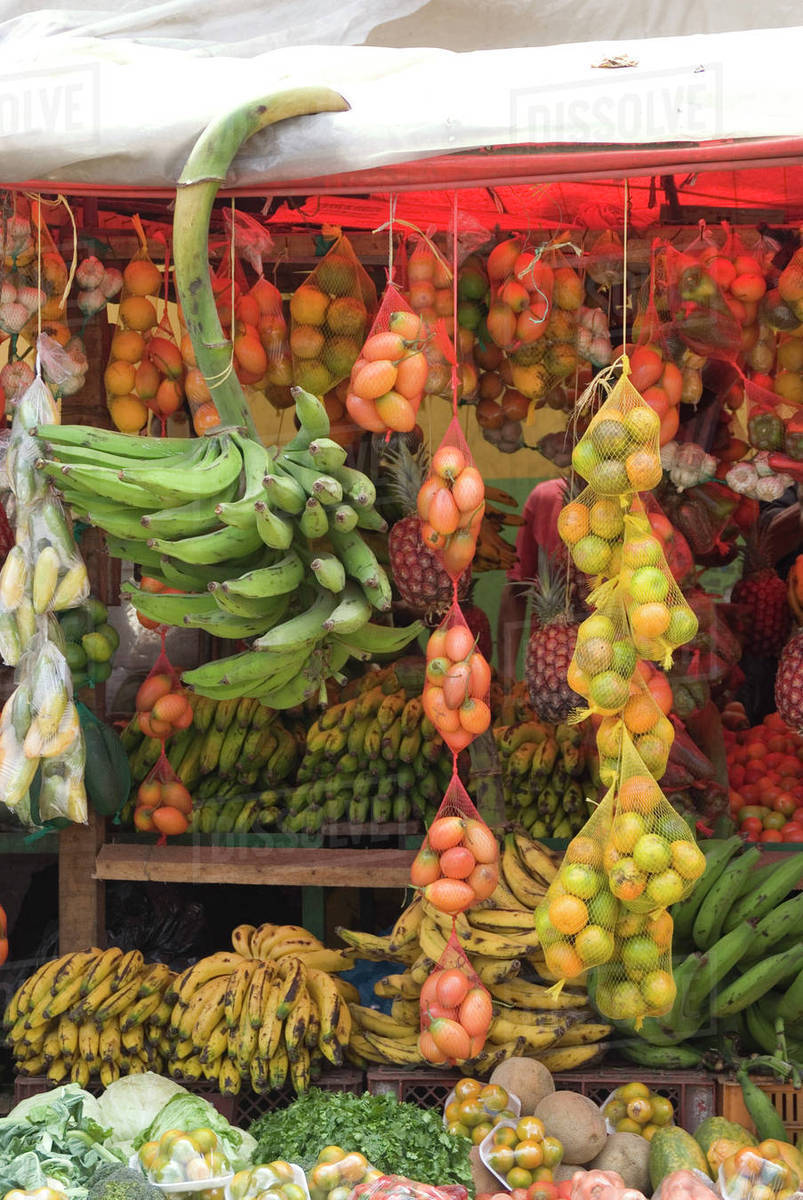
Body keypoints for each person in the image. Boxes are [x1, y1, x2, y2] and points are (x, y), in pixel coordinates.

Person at [497, 476, 567, 685]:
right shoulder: (544, 497)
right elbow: (517, 589)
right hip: (549, 664)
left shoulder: (630, 507)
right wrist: (507, 675)